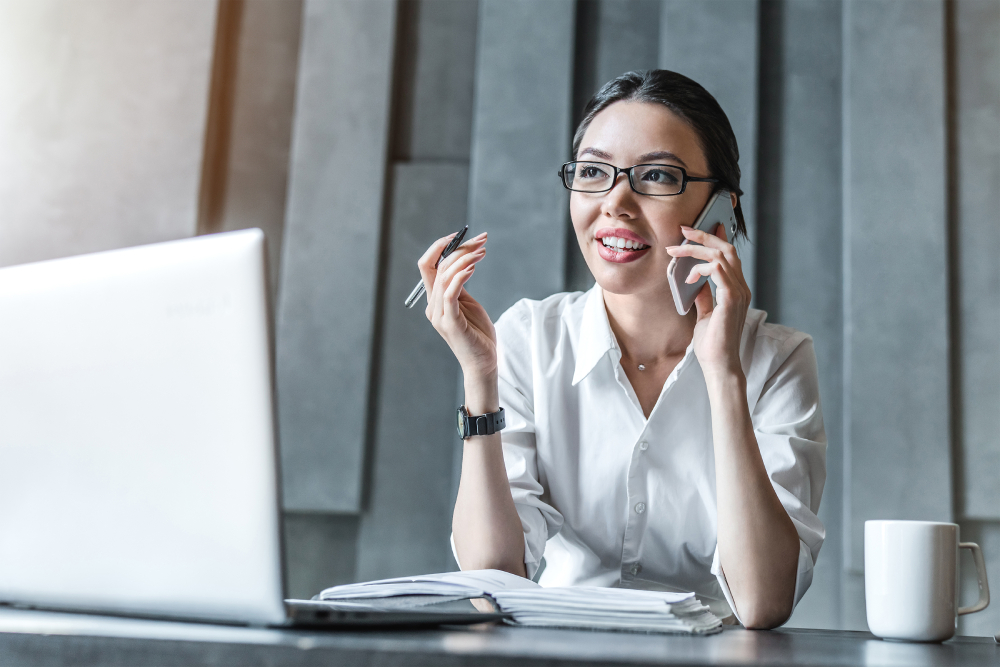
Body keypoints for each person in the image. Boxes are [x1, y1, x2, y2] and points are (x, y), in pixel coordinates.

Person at [417, 70, 825, 630]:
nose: (615, 202)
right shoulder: (529, 339)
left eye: (657, 176)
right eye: (592, 171)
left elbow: (763, 603)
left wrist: (723, 373)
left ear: (720, 208)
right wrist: (479, 378)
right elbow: (493, 581)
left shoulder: (778, 361)